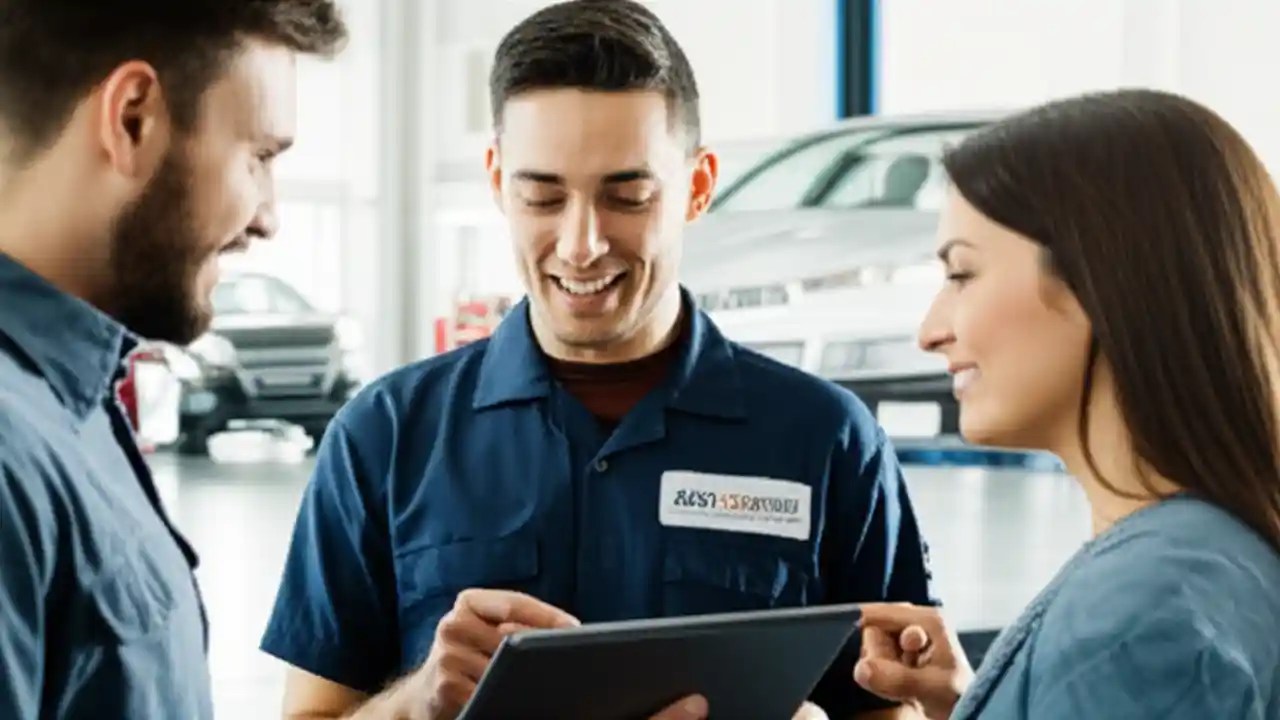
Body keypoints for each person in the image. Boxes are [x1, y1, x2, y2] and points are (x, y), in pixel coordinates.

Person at [260, 1, 936, 718]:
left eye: (628, 196)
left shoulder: (827, 440)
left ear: (698, 187)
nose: (582, 243)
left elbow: (892, 705)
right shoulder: (386, 436)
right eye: (543, 196)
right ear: (498, 182)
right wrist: (414, 702)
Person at [849, 89, 1280, 718]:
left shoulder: (1133, 620)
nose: (930, 332)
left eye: (962, 274)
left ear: (1098, 281)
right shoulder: (1206, 560)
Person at [0, 2, 347, 718]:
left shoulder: (69, 412)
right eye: (258, 157)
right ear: (133, 118)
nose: (268, 217)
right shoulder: (13, 453)